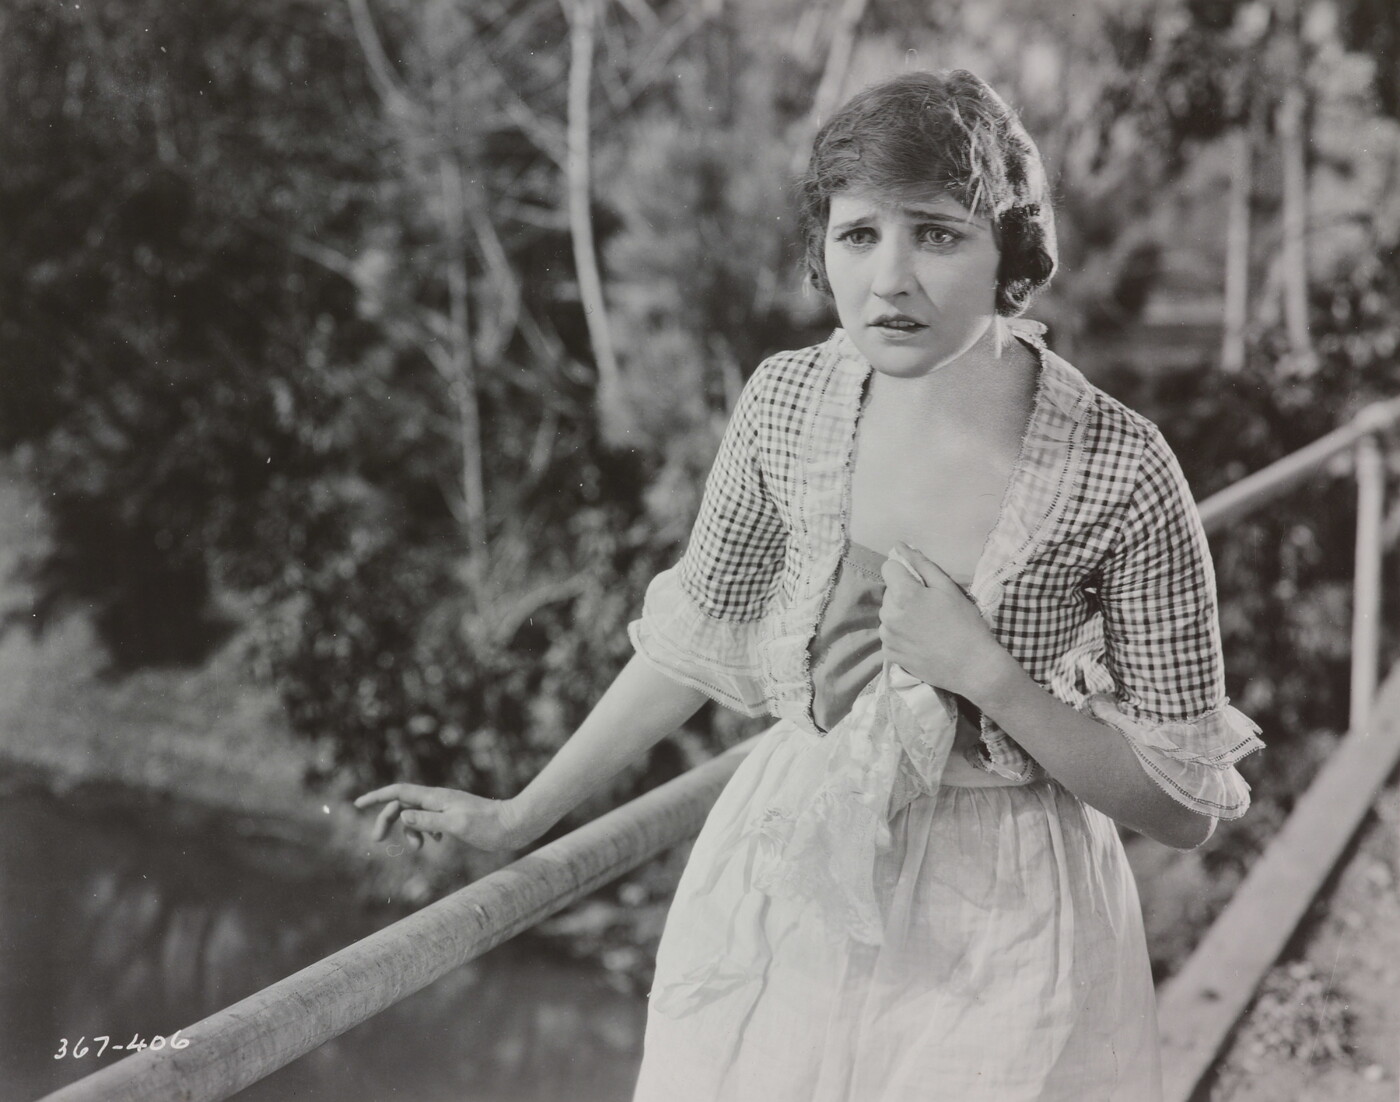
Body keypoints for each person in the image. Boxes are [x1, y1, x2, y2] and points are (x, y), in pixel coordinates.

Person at [355, 69, 1264, 1101]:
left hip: (1008, 916)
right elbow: (687, 642)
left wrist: (991, 678)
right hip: (793, 881)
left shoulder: (1119, 465)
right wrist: (521, 816)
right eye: (857, 235)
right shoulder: (787, 404)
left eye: (935, 235)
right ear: (821, 245)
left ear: (1009, 252)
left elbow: (1183, 805)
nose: (889, 282)